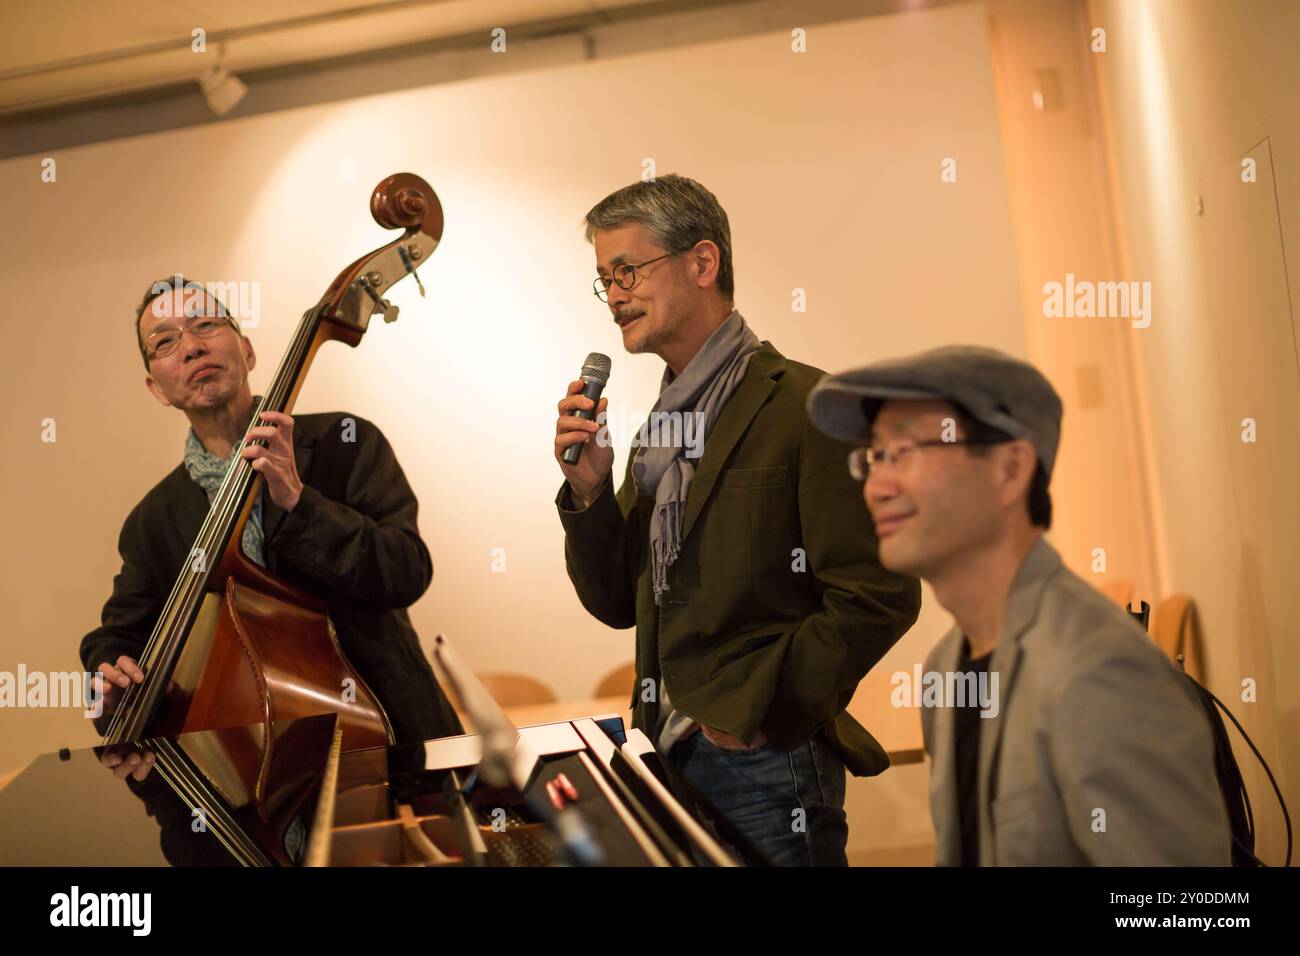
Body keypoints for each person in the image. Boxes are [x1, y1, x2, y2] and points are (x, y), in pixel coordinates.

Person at [553, 175, 921, 865]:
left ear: (702, 262)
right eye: (604, 279)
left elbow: (881, 595)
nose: (615, 295)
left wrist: (765, 712)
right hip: (668, 755)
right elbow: (614, 603)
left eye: (628, 269)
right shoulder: (655, 438)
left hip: (766, 766)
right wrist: (589, 494)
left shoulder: (809, 406)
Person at [806, 344, 1231, 865]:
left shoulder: (1100, 672)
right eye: (873, 457)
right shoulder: (947, 668)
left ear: (1010, 470)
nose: (877, 486)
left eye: (905, 451)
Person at [83, 275, 463, 784]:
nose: (192, 346)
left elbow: (406, 571)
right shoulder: (153, 521)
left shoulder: (344, 444)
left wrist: (299, 503)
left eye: (206, 325)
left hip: (392, 745)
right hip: (246, 777)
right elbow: (118, 638)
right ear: (157, 389)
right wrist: (108, 673)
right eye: (166, 342)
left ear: (247, 351)